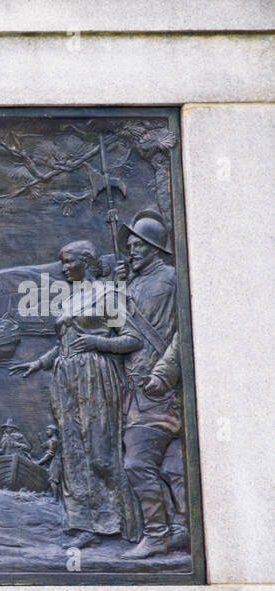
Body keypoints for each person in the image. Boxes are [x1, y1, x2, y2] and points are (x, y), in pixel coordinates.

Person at [10, 238, 141, 548]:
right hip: (66, 378)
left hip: (96, 375)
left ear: (87, 261)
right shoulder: (70, 300)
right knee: (73, 452)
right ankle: (84, 524)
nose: (64, 268)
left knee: (100, 450)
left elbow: (133, 339)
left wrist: (100, 343)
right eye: (62, 262)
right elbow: (66, 342)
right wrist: (40, 363)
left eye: (69, 261)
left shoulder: (108, 295)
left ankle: (119, 521)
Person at [116, 211, 186, 558]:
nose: (131, 252)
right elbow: (123, 328)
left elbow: (182, 333)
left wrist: (164, 373)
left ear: (154, 248)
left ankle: (156, 534)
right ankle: (184, 529)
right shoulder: (134, 283)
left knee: (137, 464)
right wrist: (121, 288)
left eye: (137, 247)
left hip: (156, 388)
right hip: (138, 387)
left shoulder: (171, 279)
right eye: (129, 247)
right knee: (173, 467)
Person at [34, 424, 62, 501]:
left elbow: (50, 454)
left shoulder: (53, 441)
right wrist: (40, 438)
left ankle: (55, 499)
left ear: (53, 431)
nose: (46, 432)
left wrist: (39, 462)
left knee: (52, 480)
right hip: (53, 462)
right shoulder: (52, 440)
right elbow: (43, 446)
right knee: (49, 478)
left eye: (48, 430)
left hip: (55, 462)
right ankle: (50, 494)